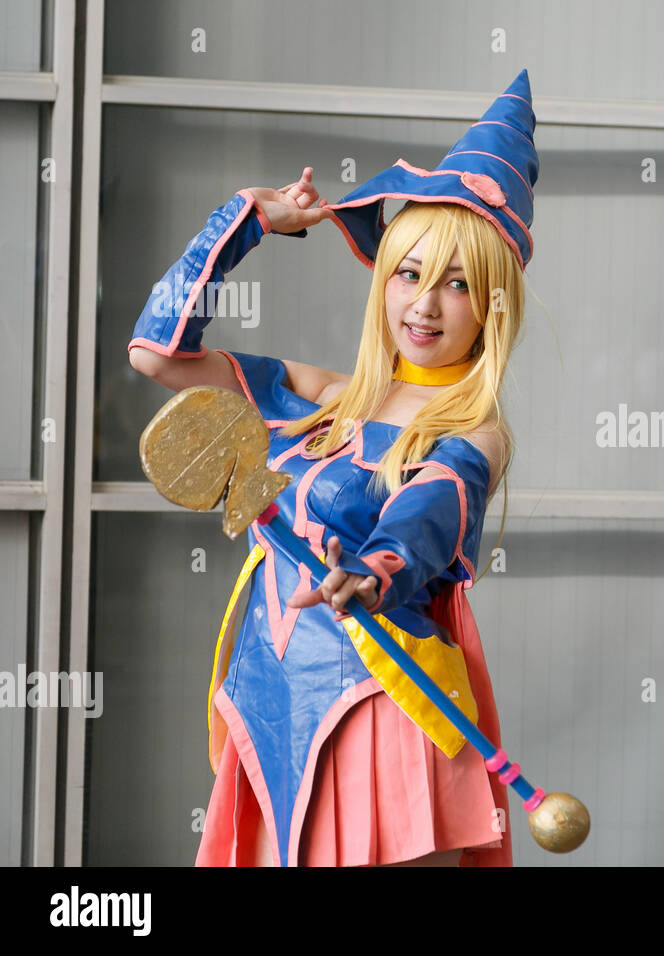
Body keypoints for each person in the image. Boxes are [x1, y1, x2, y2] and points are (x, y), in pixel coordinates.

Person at [128, 70, 539, 867]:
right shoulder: (321, 398)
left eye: (458, 284)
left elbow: (425, 517)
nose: (424, 304)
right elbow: (158, 355)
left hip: (377, 700)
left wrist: (377, 570)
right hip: (269, 696)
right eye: (409, 273)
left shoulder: (474, 432)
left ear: (492, 307)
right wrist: (247, 218)